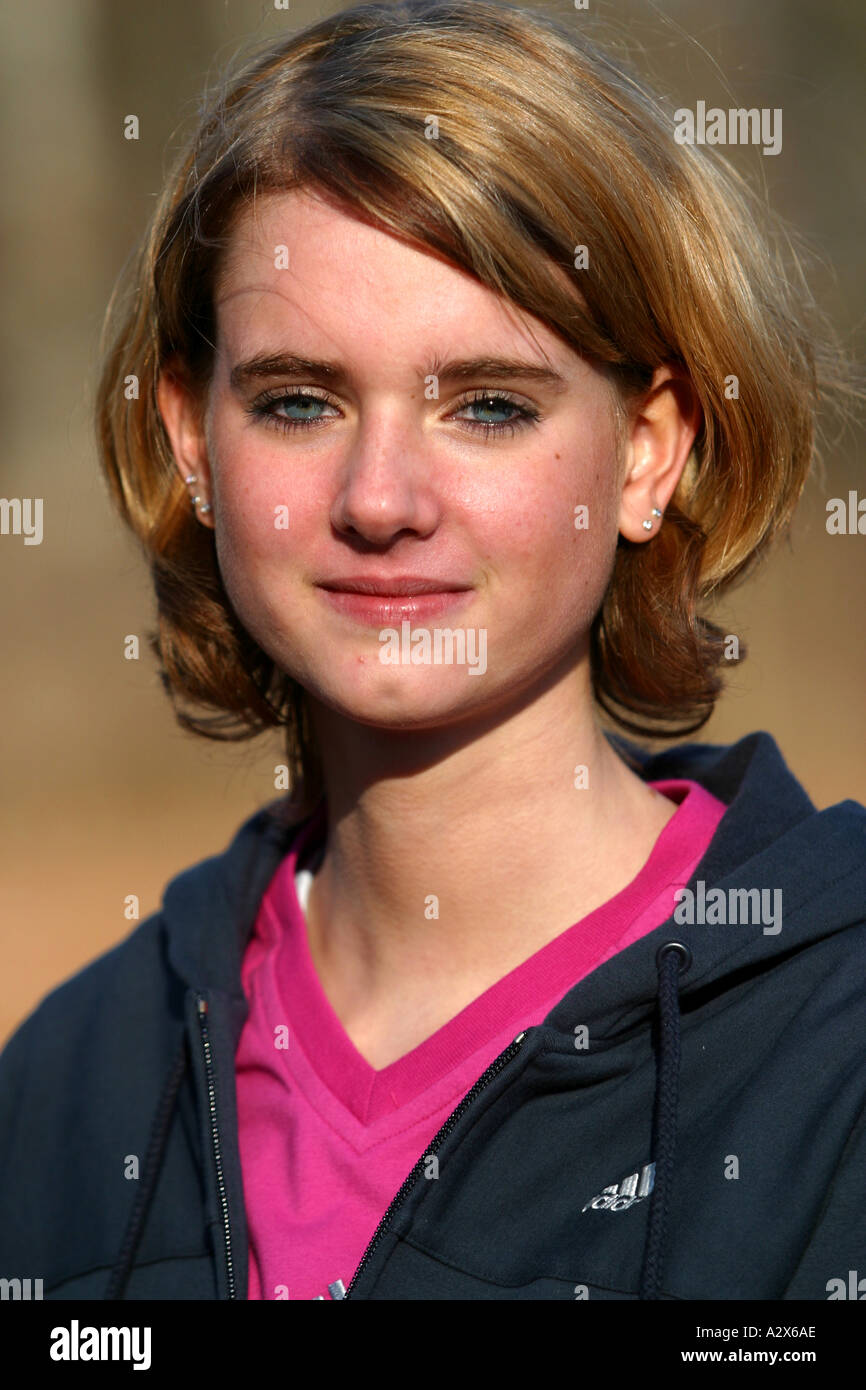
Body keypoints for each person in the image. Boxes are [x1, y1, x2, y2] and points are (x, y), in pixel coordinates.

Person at [1, 0, 863, 1303]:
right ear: (191, 439)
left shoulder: (832, 1046)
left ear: (649, 449)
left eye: (487, 405)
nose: (382, 496)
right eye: (299, 399)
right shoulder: (68, 1085)